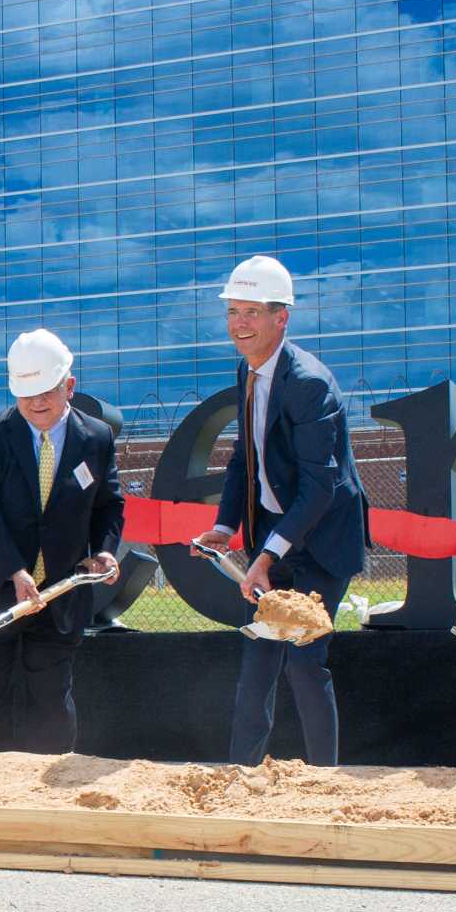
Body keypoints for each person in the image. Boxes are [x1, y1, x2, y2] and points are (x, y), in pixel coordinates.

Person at [193, 256, 368, 767]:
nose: (239, 324)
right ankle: (240, 773)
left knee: (306, 662)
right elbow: (243, 461)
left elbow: (320, 489)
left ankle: (323, 779)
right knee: (259, 660)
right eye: (233, 312)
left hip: (321, 544)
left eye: (252, 312)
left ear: (281, 318)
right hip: (276, 540)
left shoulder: (309, 384)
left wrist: (266, 557)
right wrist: (225, 527)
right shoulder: (248, 372)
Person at [0, 330, 123, 754]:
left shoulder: (97, 438)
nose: (37, 403)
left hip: (59, 598)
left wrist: (103, 550)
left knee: (51, 707)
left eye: (46, 391)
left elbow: (108, 503)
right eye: (26, 394)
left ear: (69, 385)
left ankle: (48, 797)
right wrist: (15, 571)